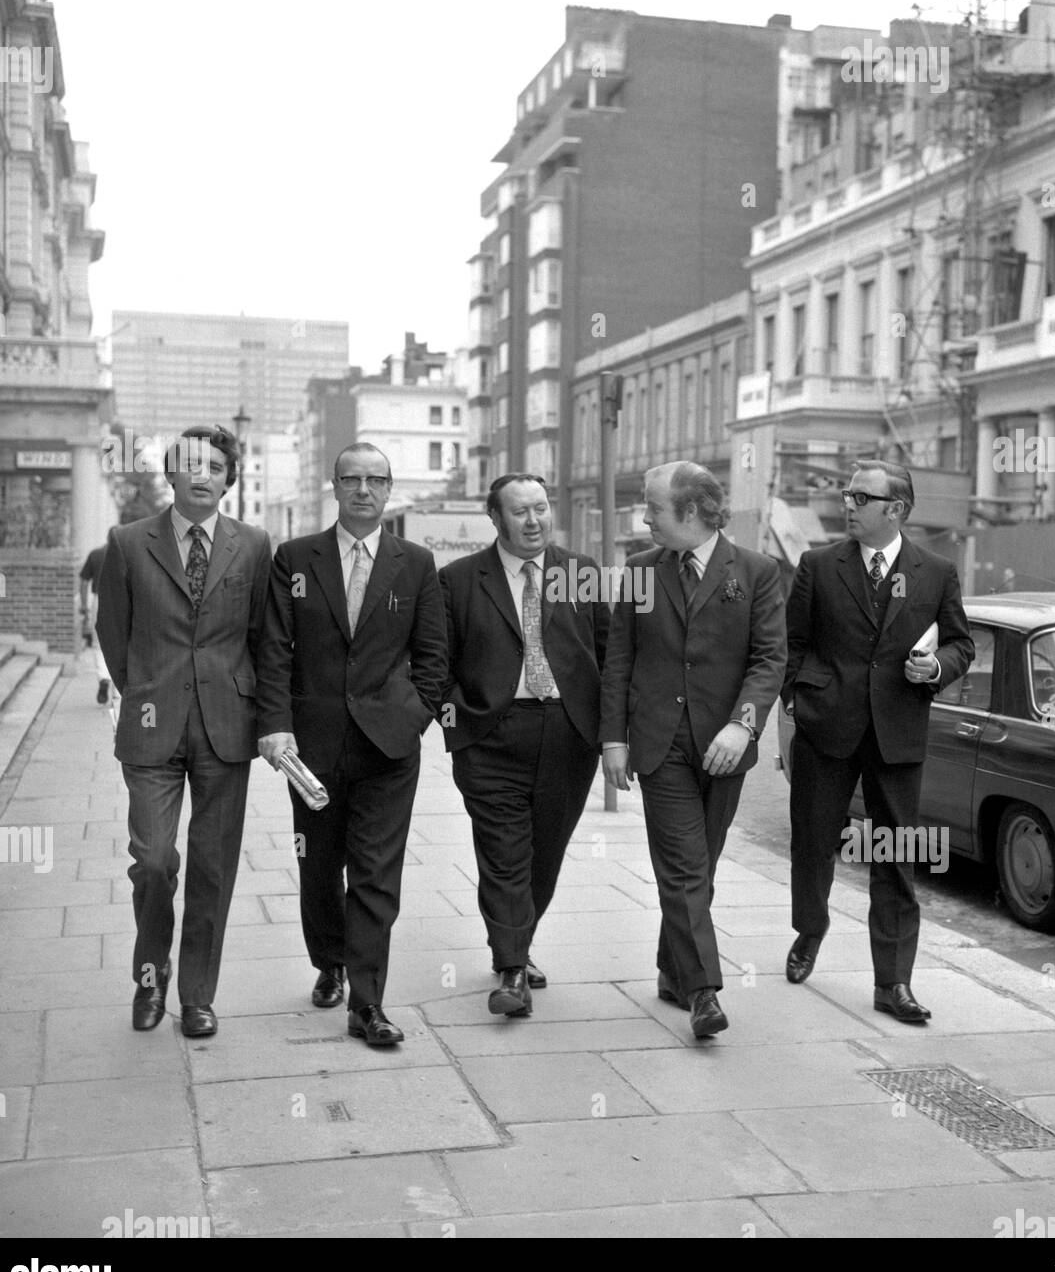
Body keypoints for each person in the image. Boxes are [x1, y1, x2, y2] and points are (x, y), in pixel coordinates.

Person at [255, 444, 447, 1049]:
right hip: (309, 748)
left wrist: (412, 718)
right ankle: (329, 960)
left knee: (375, 873)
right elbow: (273, 648)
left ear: (390, 490)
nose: (364, 489)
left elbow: (434, 656)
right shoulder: (294, 558)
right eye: (352, 479)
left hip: (388, 748)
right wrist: (276, 725)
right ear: (333, 488)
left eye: (376, 480)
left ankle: (368, 1003)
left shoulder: (416, 563)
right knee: (319, 863)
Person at [95, 426, 272, 1038]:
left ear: (230, 480)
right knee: (152, 860)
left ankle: (198, 994)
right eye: (191, 465)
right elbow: (113, 633)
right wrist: (143, 690)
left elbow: (262, 638)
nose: (203, 475)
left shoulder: (253, 545)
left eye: (216, 467)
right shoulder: (128, 542)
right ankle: (151, 978)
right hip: (151, 727)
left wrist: (265, 713)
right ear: (171, 475)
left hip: (228, 724)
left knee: (212, 866)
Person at [783, 460, 974, 1023]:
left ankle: (893, 983)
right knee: (814, 842)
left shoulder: (935, 571)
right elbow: (791, 642)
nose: (848, 505)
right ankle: (810, 928)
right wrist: (798, 698)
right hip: (826, 727)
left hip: (897, 731)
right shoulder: (818, 565)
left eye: (860, 498)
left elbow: (961, 645)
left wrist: (935, 668)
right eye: (847, 495)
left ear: (896, 510)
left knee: (895, 856)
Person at [600, 462, 785, 1039]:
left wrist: (744, 726)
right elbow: (619, 661)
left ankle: (670, 969)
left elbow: (768, 660)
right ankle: (704, 992)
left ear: (690, 512)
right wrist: (614, 740)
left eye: (653, 508)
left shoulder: (756, 572)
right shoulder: (638, 571)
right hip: (660, 747)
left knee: (697, 870)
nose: (645, 518)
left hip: (724, 747)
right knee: (682, 869)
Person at [439, 473, 609, 1018]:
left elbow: (609, 654)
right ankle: (511, 968)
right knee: (503, 853)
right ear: (495, 517)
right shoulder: (459, 581)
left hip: (567, 733)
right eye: (520, 512)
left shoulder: (581, 573)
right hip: (491, 737)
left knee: (545, 852)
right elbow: (435, 664)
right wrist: (456, 725)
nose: (534, 521)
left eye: (541, 508)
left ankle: (518, 942)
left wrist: (610, 734)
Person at [79, 537, 113, 704]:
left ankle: (103, 678)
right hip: (121, 600)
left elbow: (84, 582)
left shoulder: (95, 555)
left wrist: (84, 606)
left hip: (99, 600)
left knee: (98, 642)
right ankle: (118, 686)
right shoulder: (127, 553)